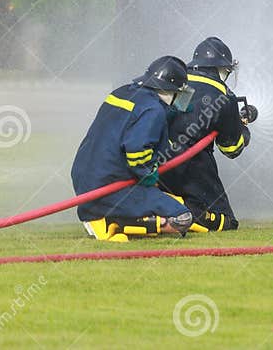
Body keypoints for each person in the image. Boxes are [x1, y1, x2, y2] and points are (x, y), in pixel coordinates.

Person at [70, 56, 195, 242]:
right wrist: (149, 176)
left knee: (166, 199)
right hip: (112, 188)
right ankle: (115, 222)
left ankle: (103, 213)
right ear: (170, 90)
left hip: (85, 180)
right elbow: (137, 152)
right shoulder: (154, 110)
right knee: (183, 218)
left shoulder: (120, 93)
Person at [160, 37, 252, 231]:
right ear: (221, 69)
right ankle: (185, 214)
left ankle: (161, 207)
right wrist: (243, 131)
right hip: (193, 164)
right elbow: (231, 149)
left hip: (159, 160)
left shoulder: (181, 82)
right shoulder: (225, 97)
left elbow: (182, 117)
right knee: (226, 222)